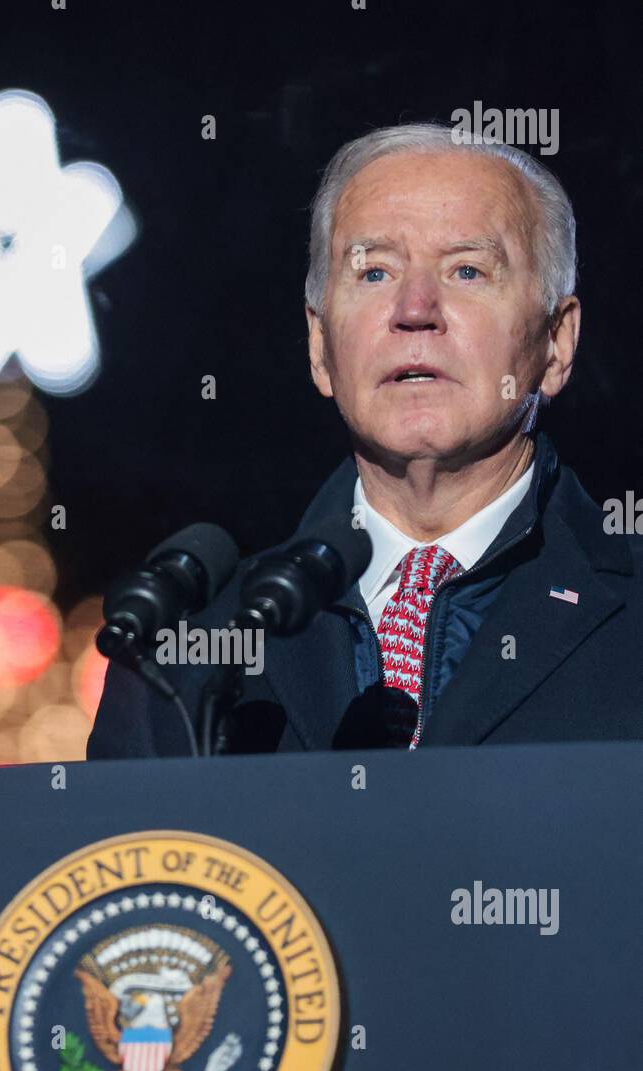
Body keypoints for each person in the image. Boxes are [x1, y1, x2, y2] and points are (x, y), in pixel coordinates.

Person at [88, 123, 643, 758]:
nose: (414, 309)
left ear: (557, 342)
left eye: (467, 270)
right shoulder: (189, 648)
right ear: (320, 347)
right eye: (374, 272)